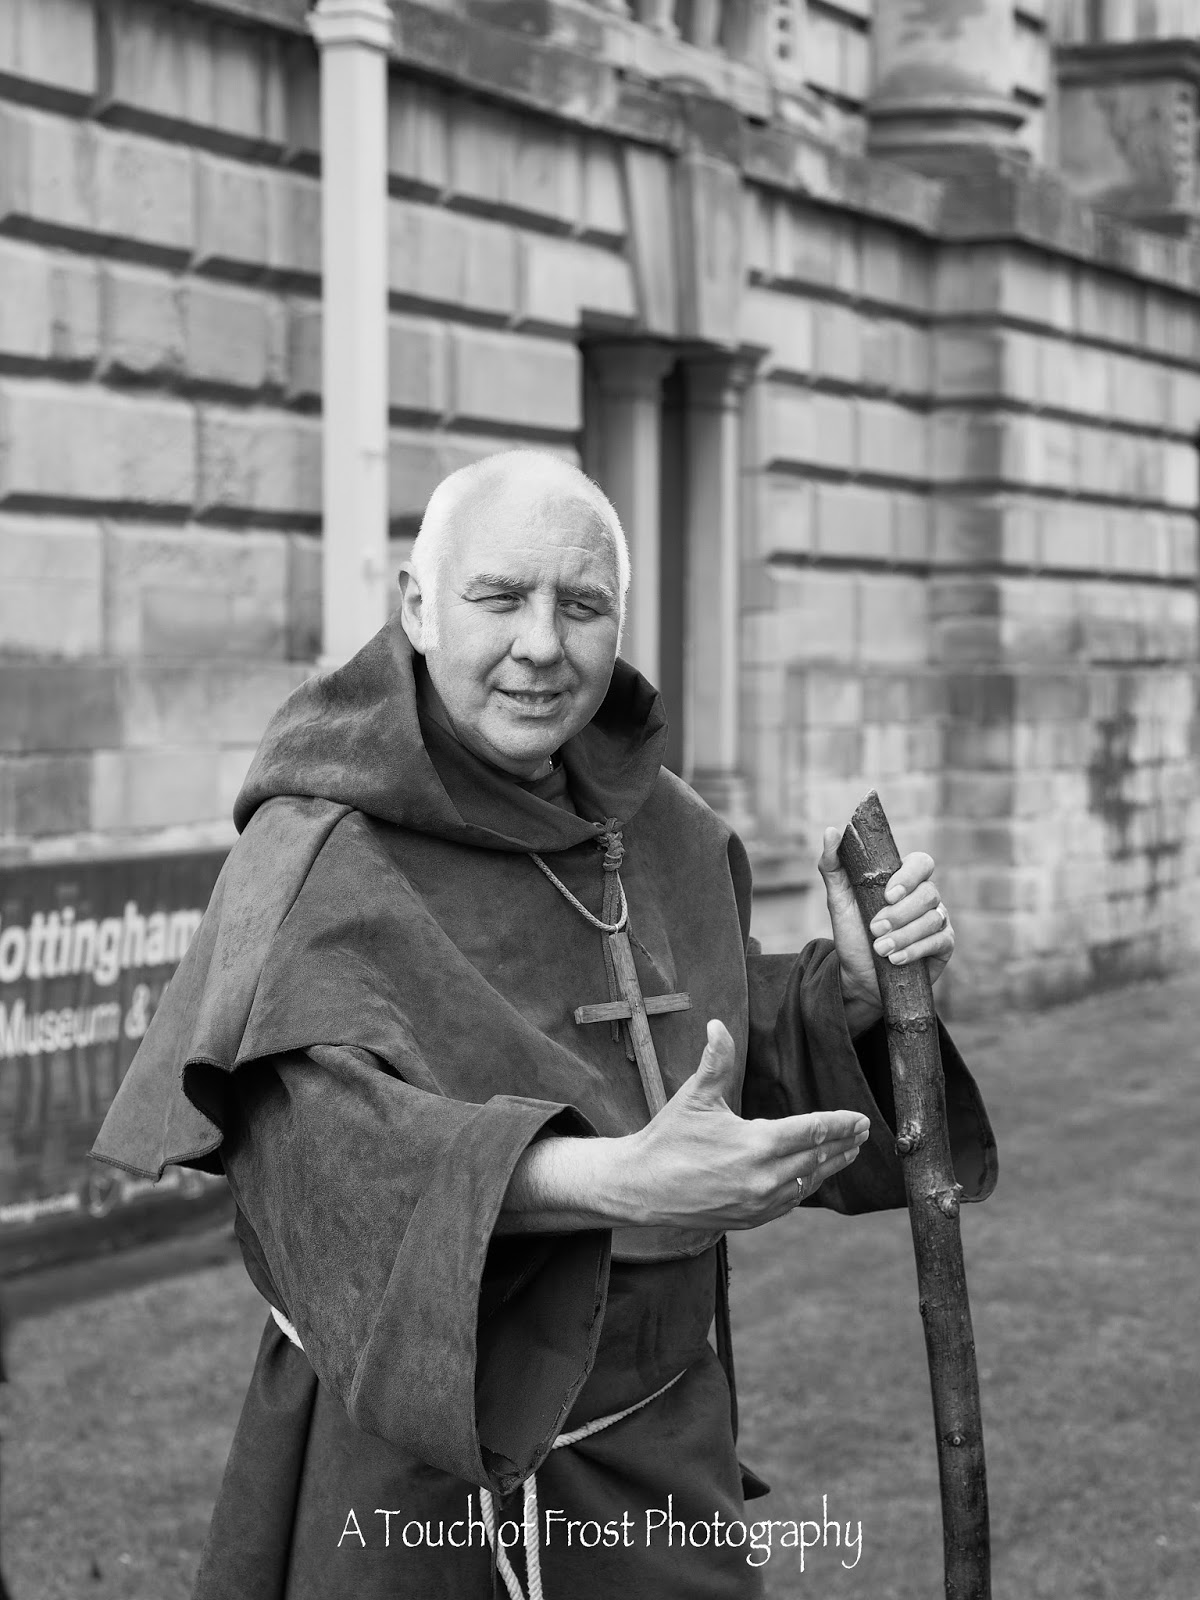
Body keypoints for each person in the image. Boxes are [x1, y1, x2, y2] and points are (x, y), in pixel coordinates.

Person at [93, 449, 996, 1600]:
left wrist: (853, 996)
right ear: (418, 607)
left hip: (660, 1442)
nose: (541, 644)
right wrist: (614, 1181)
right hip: (417, 1453)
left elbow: (690, 1040)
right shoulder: (322, 847)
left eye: (582, 605)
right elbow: (322, 1151)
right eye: (499, 596)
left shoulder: (663, 827)